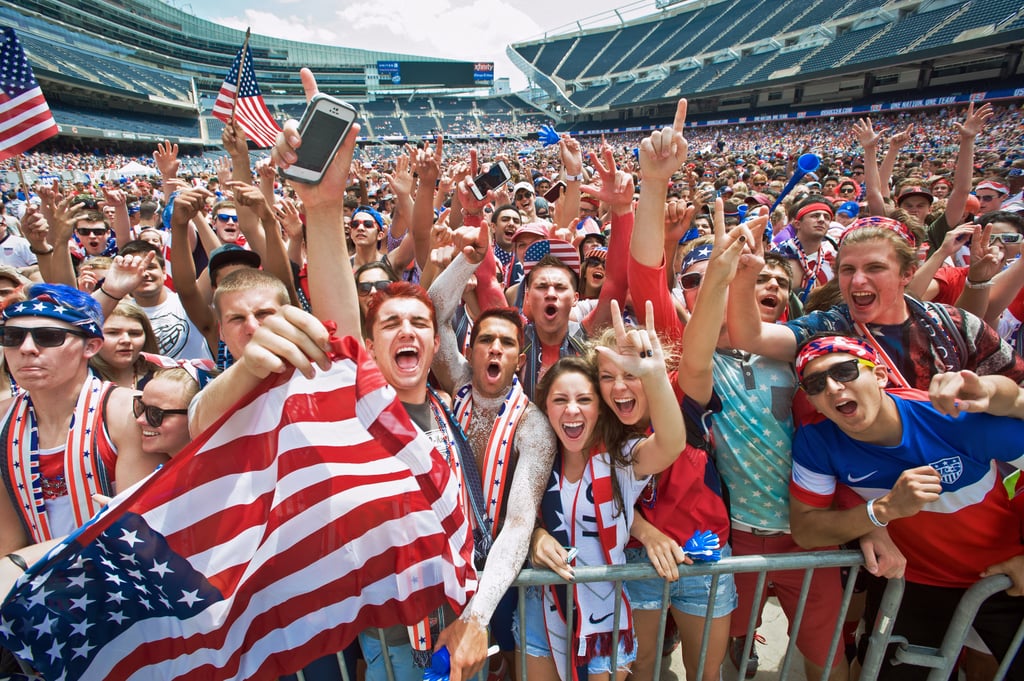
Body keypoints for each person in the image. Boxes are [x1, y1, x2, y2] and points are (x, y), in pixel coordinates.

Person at [789, 335, 1024, 681]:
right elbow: (806, 530)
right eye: (816, 383)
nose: (834, 387)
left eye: (846, 371)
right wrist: (881, 510)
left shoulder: (955, 418)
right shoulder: (816, 440)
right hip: (913, 586)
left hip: (1003, 578)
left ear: (880, 375)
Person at [427, 213, 558, 681]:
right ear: (471, 348)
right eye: (486, 341)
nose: (495, 350)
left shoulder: (533, 427)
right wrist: (469, 261)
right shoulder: (456, 379)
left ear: (518, 359)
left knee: (504, 668)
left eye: (506, 343)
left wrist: (477, 616)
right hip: (445, 566)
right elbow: (432, 311)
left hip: (501, 577)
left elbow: (520, 524)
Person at [524, 303, 684, 681]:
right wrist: (536, 536)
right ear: (545, 408)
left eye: (584, 400)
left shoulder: (622, 460)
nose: (572, 411)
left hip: (603, 622)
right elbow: (513, 519)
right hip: (541, 611)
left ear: (600, 408)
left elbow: (672, 443)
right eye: (560, 400)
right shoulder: (534, 459)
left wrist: (655, 375)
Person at [0, 283, 167, 557]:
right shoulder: (3, 419)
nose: (27, 348)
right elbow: (7, 542)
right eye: (12, 337)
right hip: (39, 586)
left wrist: (18, 564)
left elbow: (134, 537)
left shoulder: (127, 412)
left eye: (49, 337)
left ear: (91, 346)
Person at [89, 299, 159, 388]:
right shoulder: (77, 379)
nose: (126, 340)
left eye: (135, 333)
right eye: (113, 333)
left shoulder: (163, 379)